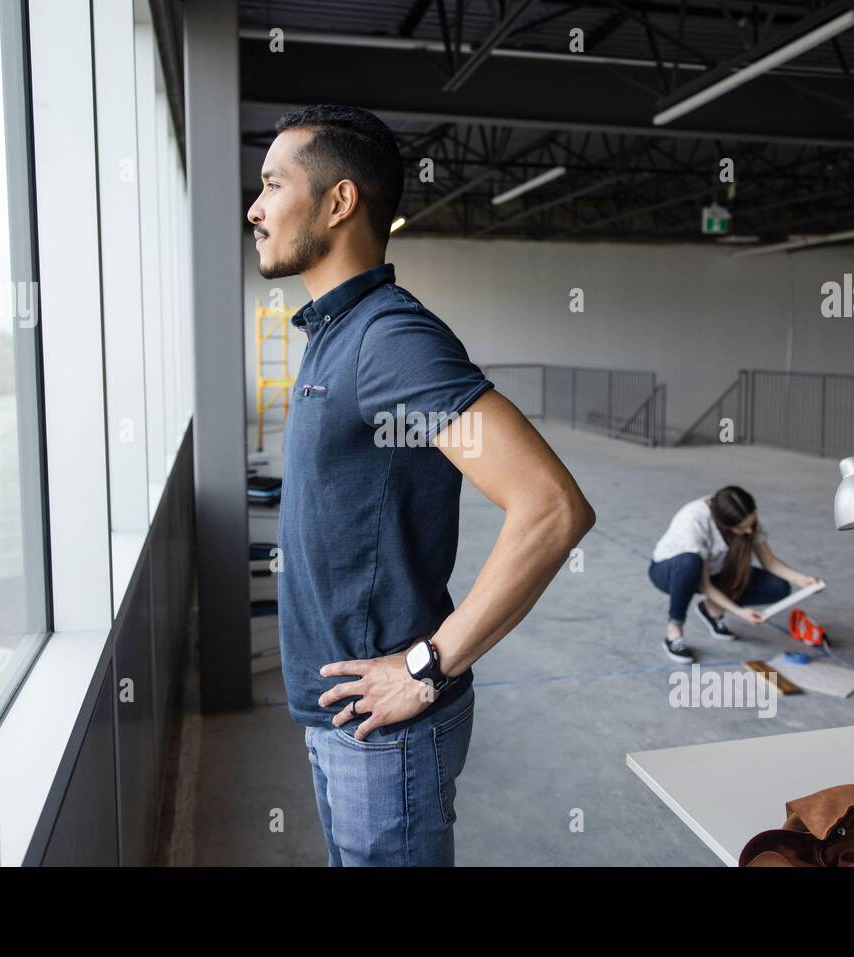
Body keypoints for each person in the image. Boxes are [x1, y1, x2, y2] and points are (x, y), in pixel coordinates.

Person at [246, 104, 596, 866]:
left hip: (387, 731)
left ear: (339, 202)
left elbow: (552, 505)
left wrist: (426, 667)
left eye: (273, 185)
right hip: (345, 717)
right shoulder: (336, 333)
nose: (256, 206)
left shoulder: (389, 341)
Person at [648, 486, 818, 663]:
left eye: (751, 524)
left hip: (714, 570)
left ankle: (712, 609)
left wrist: (803, 580)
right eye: (743, 528)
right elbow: (704, 585)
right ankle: (674, 631)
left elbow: (769, 561)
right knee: (690, 562)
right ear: (724, 525)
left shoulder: (743, 515)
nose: (749, 531)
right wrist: (739, 612)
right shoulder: (693, 520)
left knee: (778, 587)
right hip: (671, 572)